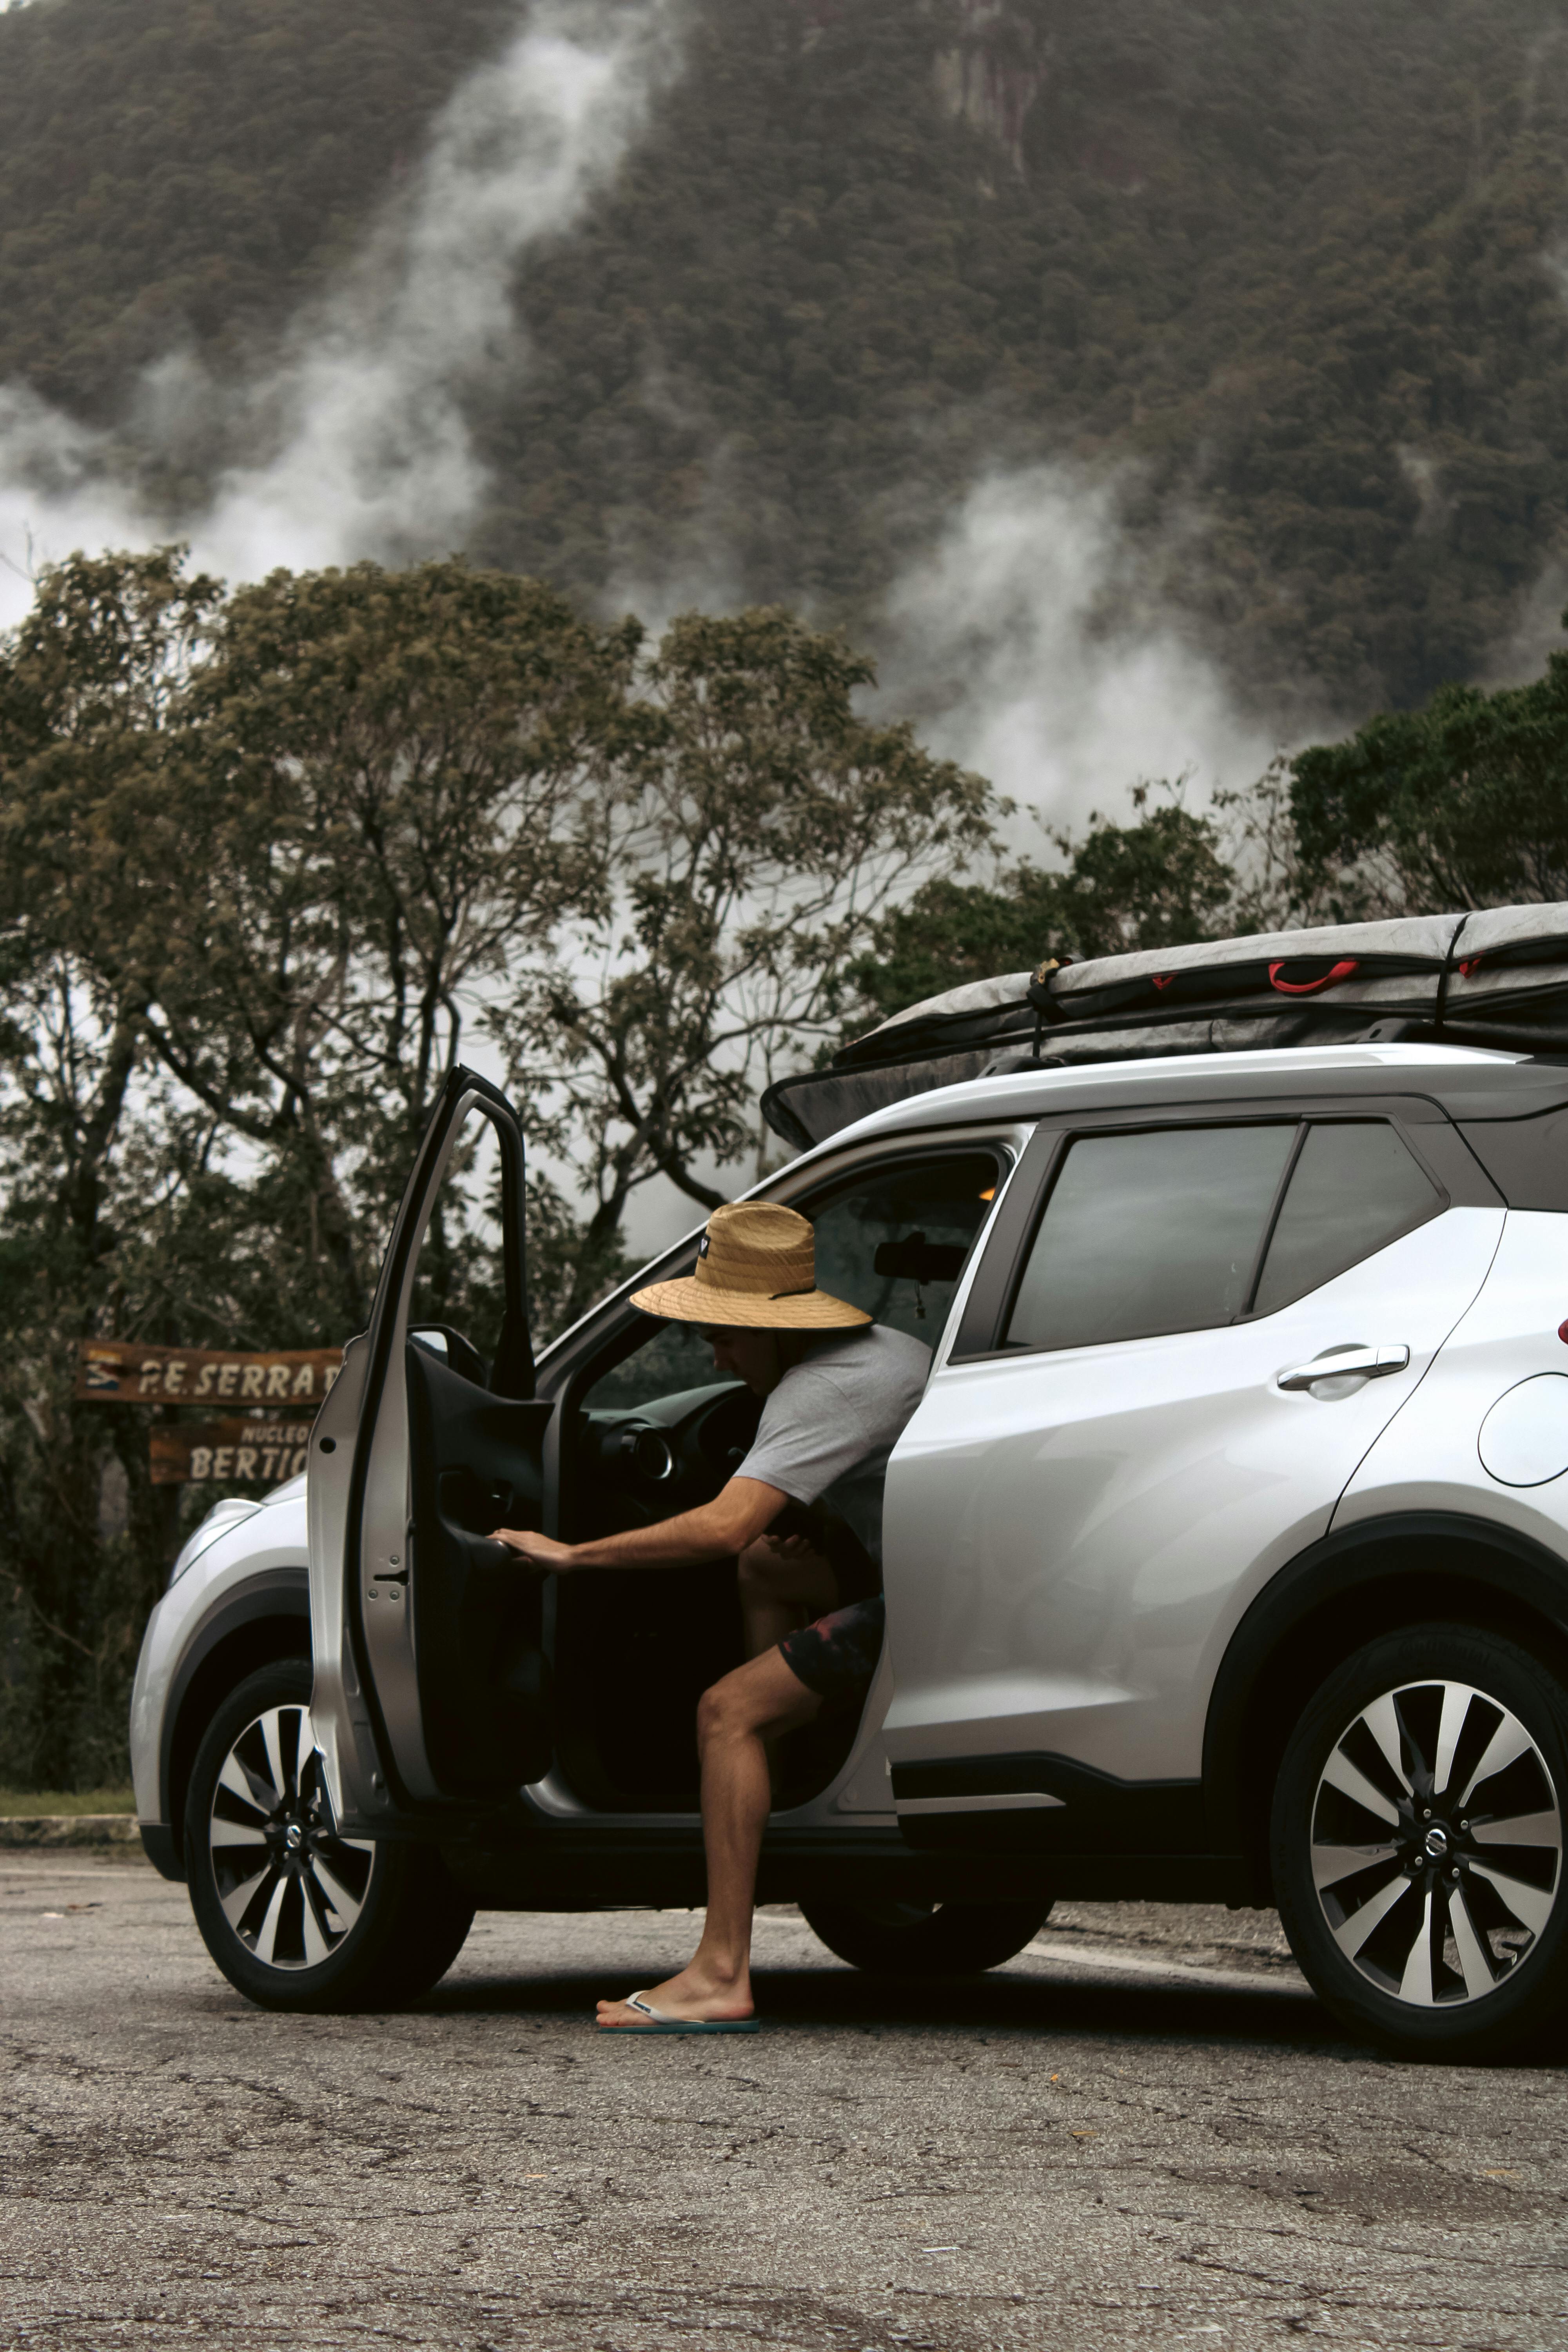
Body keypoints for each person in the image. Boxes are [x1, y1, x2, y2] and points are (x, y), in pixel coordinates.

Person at [490, 1198, 929, 2031]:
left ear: (771, 1325)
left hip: (923, 1605)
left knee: (723, 1712)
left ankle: (720, 1972)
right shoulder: (883, 1352)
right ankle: (785, 1770)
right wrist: (828, 1526)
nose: (718, 1356)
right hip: (939, 1573)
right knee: (768, 1562)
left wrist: (574, 1554)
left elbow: (723, 1523)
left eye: (723, 1336)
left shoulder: (817, 1392)